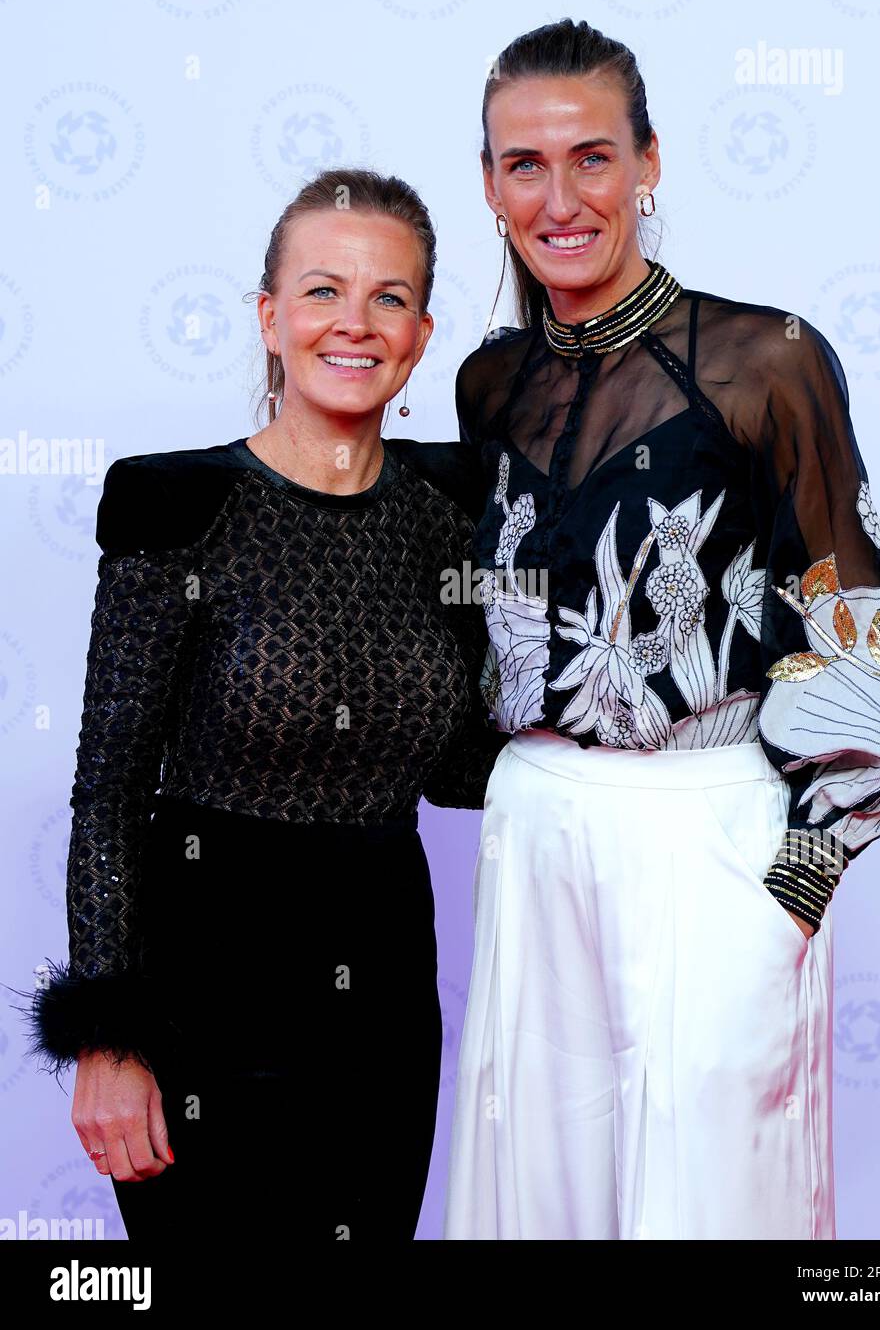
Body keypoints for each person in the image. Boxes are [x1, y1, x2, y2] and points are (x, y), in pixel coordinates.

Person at [442, 18, 880, 1241]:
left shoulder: (764, 361)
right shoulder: (486, 381)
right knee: (542, 1205)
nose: (560, 197)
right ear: (490, 183)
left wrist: (796, 884)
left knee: (719, 1205)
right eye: (525, 163)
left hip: (711, 828)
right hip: (537, 832)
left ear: (650, 163)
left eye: (593, 157)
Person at [8, 167, 508, 1242]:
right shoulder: (180, 504)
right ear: (271, 317)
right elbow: (107, 788)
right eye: (323, 291)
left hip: (380, 995)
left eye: (388, 298)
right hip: (202, 991)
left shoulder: (450, 514)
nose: (355, 323)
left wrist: (636, 708)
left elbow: (461, 768)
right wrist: (106, 1039)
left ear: (420, 335)